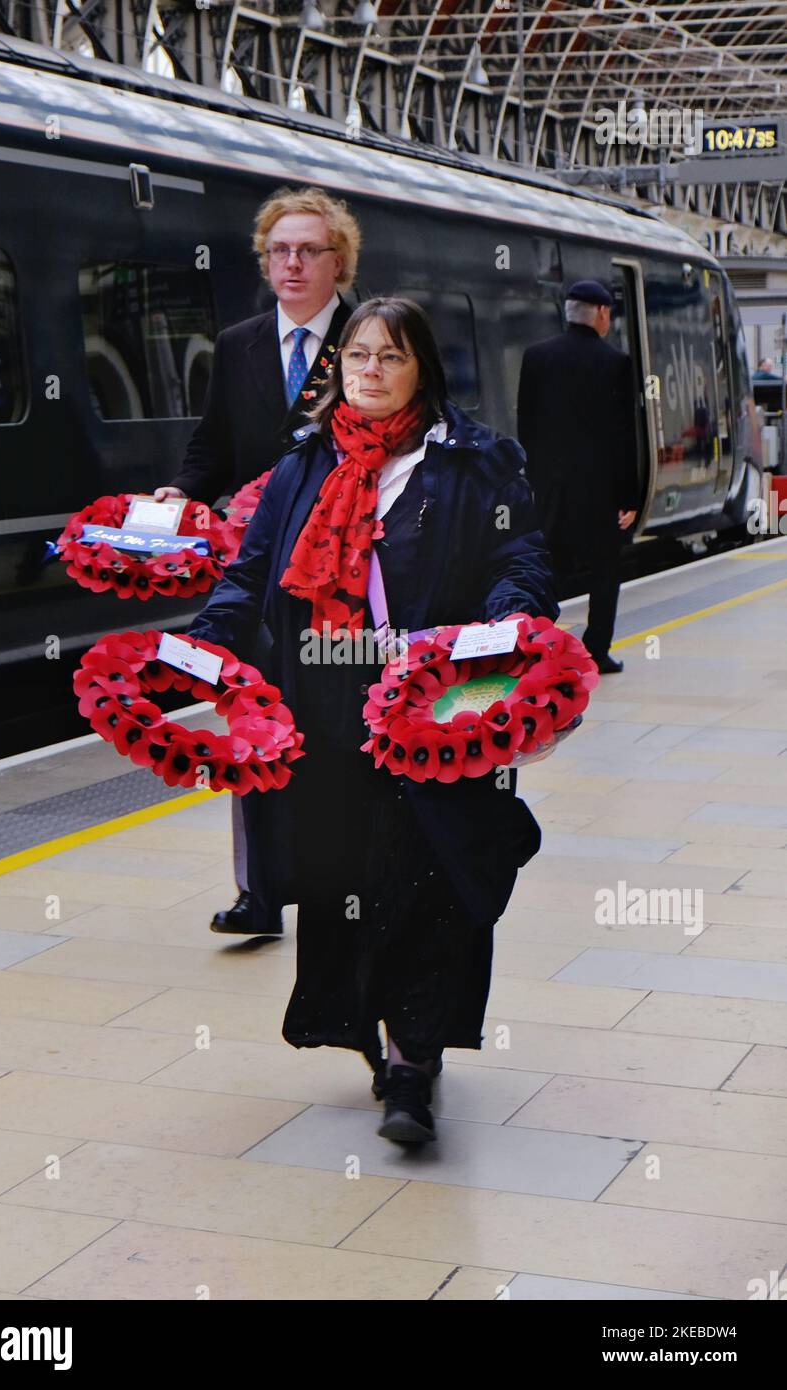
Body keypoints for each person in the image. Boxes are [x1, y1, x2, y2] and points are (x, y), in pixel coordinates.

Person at [188, 297, 557, 1145]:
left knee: (433, 882)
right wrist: (205, 647)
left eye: (390, 357)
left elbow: (520, 556)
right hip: (328, 718)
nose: (371, 371)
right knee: (350, 888)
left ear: (422, 366)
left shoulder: (474, 463)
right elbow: (249, 577)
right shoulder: (305, 468)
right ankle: (381, 1044)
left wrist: (504, 623)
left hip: (436, 711)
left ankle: (416, 1064)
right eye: (357, 356)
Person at [154, 186, 358, 935]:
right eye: (280, 251)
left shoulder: (369, 339)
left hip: (347, 583)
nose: (293, 263)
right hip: (257, 579)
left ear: (340, 260)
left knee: (341, 734)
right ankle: (261, 894)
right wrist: (181, 491)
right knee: (258, 727)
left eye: (309, 250)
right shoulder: (239, 342)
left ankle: (343, 881)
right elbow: (214, 447)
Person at [517, 279, 638, 674]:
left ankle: (540, 648)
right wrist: (628, 498)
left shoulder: (535, 357)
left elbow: (526, 426)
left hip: (550, 489)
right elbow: (624, 437)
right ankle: (596, 651)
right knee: (605, 573)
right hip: (600, 493)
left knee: (550, 569)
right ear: (602, 314)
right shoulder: (616, 363)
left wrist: (535, 481)